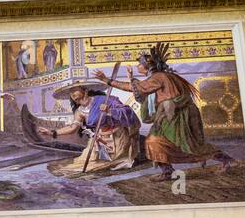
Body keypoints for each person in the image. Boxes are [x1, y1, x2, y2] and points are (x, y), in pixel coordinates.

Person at [99, 43, 231, 181]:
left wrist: (108, 81)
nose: (137, 66)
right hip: (176, 114)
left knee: (172, 143)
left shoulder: (159, 77)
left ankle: (171, 170)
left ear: (147, 66)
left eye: (139, 64)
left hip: (175, 116)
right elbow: (140, 88)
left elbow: (138, 89)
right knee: (171, 143)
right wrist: (131, 80)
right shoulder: (164, 76)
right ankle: (169, 171)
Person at [48, 80, 140, 176]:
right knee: (82, 162)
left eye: (75, 90)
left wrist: (109, 110)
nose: (72, 94)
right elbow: (72, 128)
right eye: (70, 93)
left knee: (112, 163)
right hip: (98, 138)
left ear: (85, 90)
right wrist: (53, 133)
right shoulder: (80, 111)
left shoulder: (105, 100)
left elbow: (127, 111)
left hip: (118, 136)